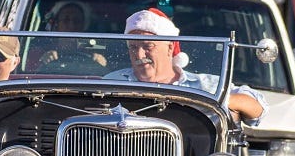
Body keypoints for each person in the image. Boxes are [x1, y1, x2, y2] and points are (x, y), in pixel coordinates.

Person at [105, 8, 266, 124]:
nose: (139, 55)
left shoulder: (203, 86)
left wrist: (212, 102)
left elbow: (258, 109)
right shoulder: (111, 83)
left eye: (148, 46)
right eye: (133, 47)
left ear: (169, 47)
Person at [31, 0, 107, 69]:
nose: (72, 25)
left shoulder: (93, 48)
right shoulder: (40, 50)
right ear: (56, 25)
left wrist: (101, 63)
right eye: (66, 20)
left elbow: (113, 73)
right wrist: (42, 63)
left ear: (84, 25)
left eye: (76, 21)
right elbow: (28, 75)